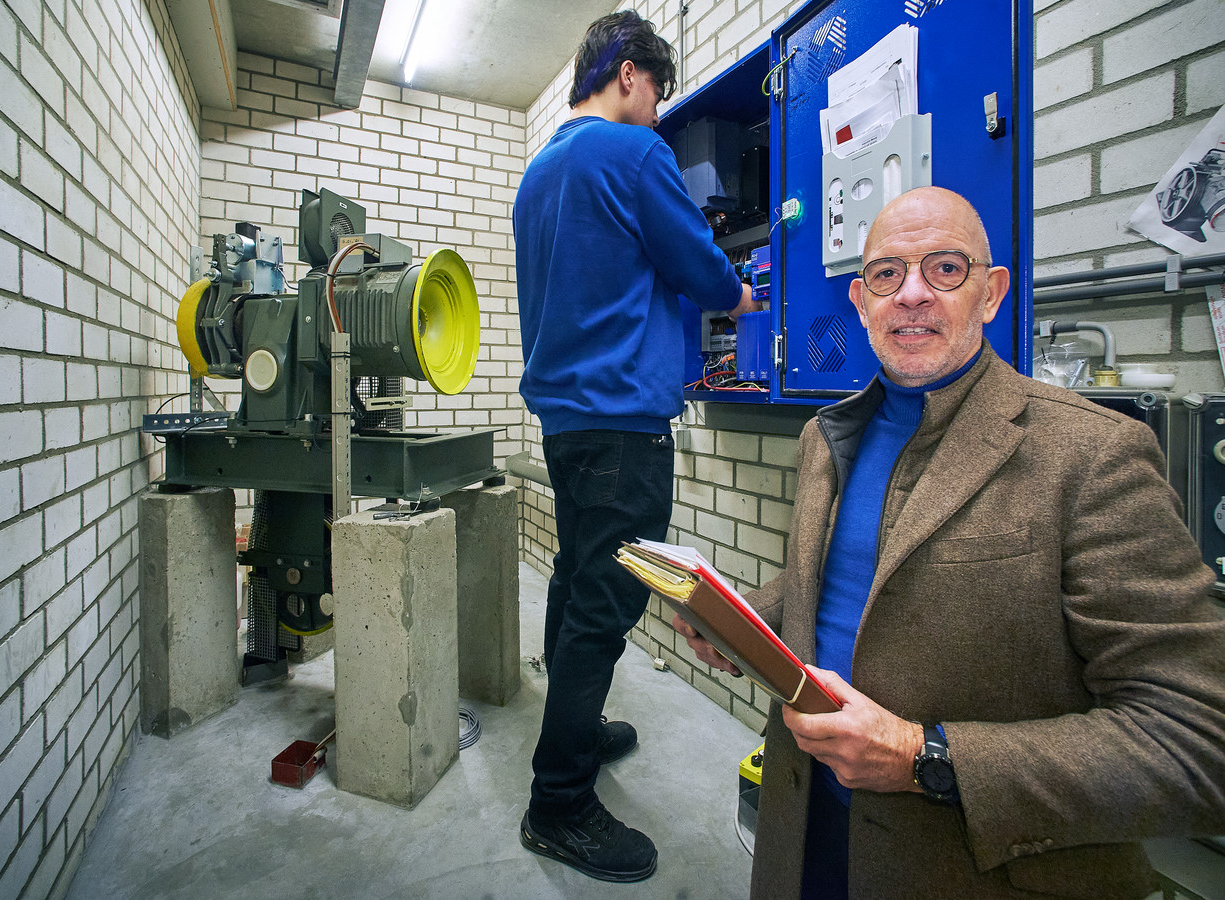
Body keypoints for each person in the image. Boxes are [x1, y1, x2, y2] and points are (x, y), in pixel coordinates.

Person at [675, 185, 1225, 899]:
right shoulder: (825, 437)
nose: (910, 295)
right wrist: (743, 619)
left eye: (943, 269)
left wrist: (923, 758)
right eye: (884, 275)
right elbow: (845, 579)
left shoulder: (1093, 454)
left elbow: (1196, 742)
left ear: (990, 294)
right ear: (860, 302)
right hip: (805, 833)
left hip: (970, 868)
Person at [513, 8, 761, 884]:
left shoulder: (538, 172)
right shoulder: (632, 153)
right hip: (622, 423)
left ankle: (571, 733)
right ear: (627, 72)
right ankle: (559, 805)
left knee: (576, 585)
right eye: (656, 93)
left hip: (567, 422)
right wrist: (743, 296)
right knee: (604, 609)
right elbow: (700, 268)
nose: (658, 113)